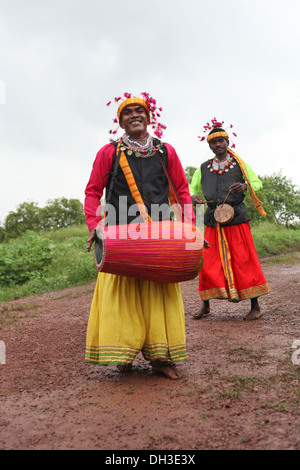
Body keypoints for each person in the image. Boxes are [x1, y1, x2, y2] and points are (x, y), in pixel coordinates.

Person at [84, 93, 194, 379]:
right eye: (127, 112)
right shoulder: (108, 153)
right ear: (120, 121)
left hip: (160, 234)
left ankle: (161, 359)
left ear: (149, 117)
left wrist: (189, 227)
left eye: (139, 111)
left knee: (160, 294)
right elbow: (93, 192)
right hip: (120, 233)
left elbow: (182, 190)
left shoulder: (165, 151)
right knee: (122, 294)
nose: (134, 115)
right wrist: (95, 225)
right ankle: (124, 354)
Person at [189, 121, 270, 320]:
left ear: (227, 142)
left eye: (221, 141)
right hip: (212, 221)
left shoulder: (239, 164)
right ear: (209, 146)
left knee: (244, 259)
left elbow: (257, 183)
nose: (218, 144)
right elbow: (191, 188)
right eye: (213, 142)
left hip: (237, 219)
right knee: (208, 262)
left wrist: (244, 186)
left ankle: (255, 306)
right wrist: (193, 197)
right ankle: (205, 305)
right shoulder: (203, 168)